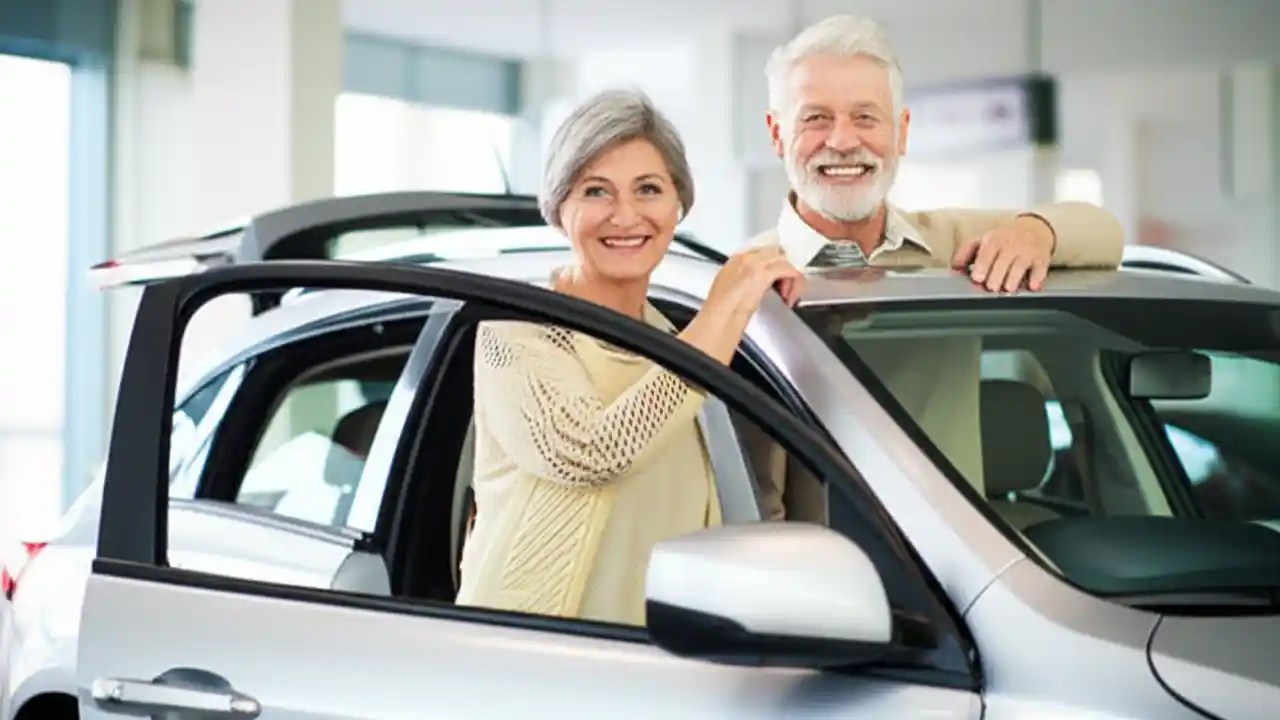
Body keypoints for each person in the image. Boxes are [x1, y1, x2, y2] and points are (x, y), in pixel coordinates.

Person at [745, 15, 1127, 522]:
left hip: (967, 557)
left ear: (901, 132)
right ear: (777, 134)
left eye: (865, 117)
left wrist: (1036, 233)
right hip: (823, 561)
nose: (842, 141)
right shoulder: (741, 276)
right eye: (816, 118)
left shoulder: (951, 244)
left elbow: (1105, 231)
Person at [455, 88, 804, 627]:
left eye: (648, 189)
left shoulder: (674, 339)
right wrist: (723, 307)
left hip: (656, 660)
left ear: (677, 205)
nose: (625, 215)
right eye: (596, 191)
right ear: (559, 208)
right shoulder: (515, 335)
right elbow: (591, 452)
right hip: (531, 652)